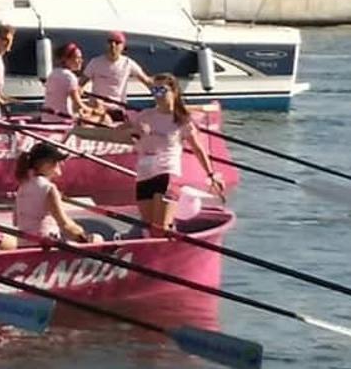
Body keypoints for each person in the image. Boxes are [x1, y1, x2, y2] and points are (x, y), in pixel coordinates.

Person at [124, 74, 224, 231]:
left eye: (162, 90)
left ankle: (172, 233)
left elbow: (198, 149)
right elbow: (123, 132)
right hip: (144, 175)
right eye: (154, 91)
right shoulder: (145, 115)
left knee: (161, 228)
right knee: (149, 227)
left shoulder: (182, 120)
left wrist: (211, 175)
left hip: (168, 173)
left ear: (174, 91)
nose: (158, 95)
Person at [13, 143, 100, 245]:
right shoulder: (49, 188)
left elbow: (16, 221)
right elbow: (65, 225)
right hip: (45, 247)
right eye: (57, 161)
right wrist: (85, 238)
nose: (61, 164)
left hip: (23, 245)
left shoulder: (22, 187)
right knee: (97, 238)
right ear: (46, 164)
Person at [81, 31, 155, 112]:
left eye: (117, 43)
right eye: (110, 42)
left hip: (118, 109)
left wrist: (162, 92)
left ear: (123, 46)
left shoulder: (128, 63)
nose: (113, 45)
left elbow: (147, 81)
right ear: (106, 45)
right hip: (96, 109)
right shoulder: (95, 62)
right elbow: (79, 85)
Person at [42, 42, 103, 124]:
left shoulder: (53, 73)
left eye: (81, 58)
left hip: (46, 120)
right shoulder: (70, 77)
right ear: (66, 59)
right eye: (77, 58)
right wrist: (96, 111)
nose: (81, 61)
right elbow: (78, 105)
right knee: (104, 119)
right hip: (63, 121)